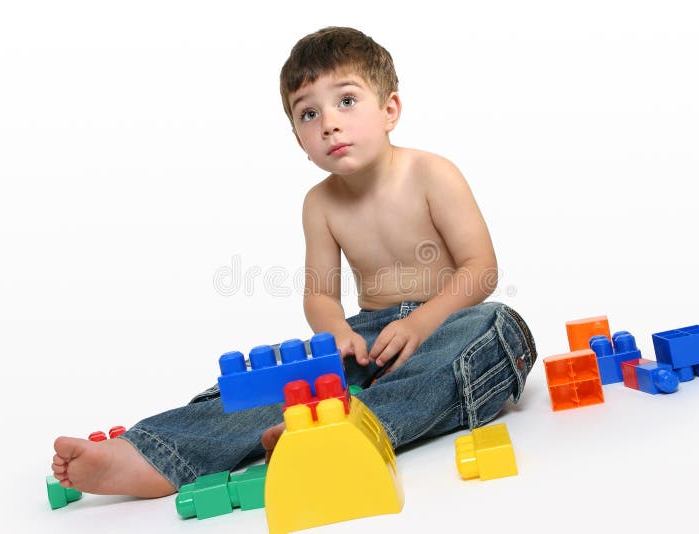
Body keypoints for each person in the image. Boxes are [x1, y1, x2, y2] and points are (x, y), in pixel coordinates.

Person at [50, 26, 537, 499]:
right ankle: (155, 453)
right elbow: (321, 295)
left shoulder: (432, 173)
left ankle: (343, 429)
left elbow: (481, 268)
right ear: (299, 141)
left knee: (496, 324)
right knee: (289, 377)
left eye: (346, 101)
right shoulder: (320, 204)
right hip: (369, 337)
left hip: (448, 323)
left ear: (390, 109)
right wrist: (338, 335)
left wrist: (425, 321)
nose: (329, 122)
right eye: (308, 114)